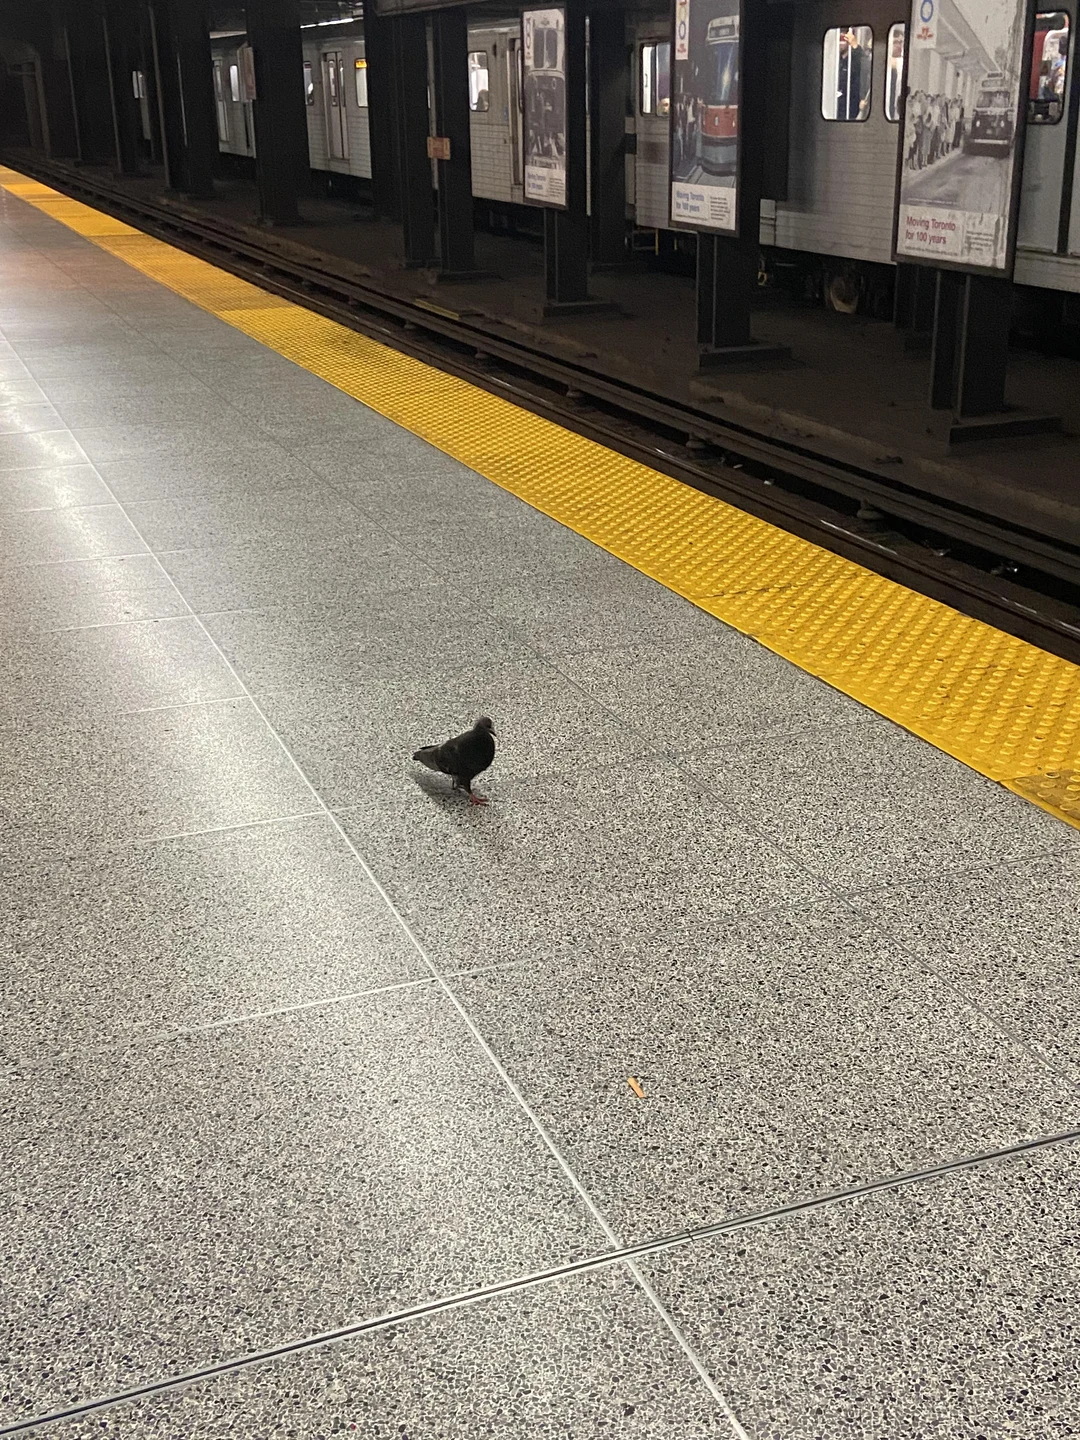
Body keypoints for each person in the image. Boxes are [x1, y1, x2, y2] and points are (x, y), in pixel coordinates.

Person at [837, 28, 872, 120]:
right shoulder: (836, 61)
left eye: (842, 39)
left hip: (851, 109)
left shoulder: (855, 60)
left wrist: (855, 45)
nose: (840, 42)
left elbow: (866, 67)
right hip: (837, 108)